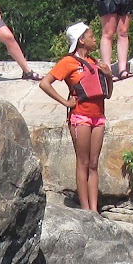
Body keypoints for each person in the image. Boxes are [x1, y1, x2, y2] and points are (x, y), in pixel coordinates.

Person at [40, 22, 111, 213]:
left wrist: (109, 75)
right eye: (91, 36)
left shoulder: (96, 63)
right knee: (84, 162)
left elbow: (108, 93)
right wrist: (65, 102)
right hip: (80, 117)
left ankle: (94, 210)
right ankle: (86, 208)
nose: (95, 39)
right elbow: (45, 83)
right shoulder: (68, 62)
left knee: (94, 163)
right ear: (81, 40)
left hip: (99, 117)